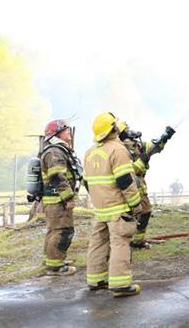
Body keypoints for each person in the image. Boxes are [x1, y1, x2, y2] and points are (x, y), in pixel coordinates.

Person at [83, 112, 142, 297]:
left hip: (100, 208)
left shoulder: (90, 152)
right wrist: (136, 205)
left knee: (98, 243)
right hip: (118, 207)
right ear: (113, 129)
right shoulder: (118, 150)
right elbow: (125, 181)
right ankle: (121, 284)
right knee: (120, 243)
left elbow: (86, 182)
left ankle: (95, 280)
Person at [39, 119, 81, 275]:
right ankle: (56, 267)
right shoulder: (55, 151)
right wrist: (68, 197)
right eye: (65, 130)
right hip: (58, 200)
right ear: (57, 134)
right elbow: (57, 176)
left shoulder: (57, 149)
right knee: (63, 231)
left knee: (54, 230)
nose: (68, 132)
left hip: (56, 200)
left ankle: (54, 259)